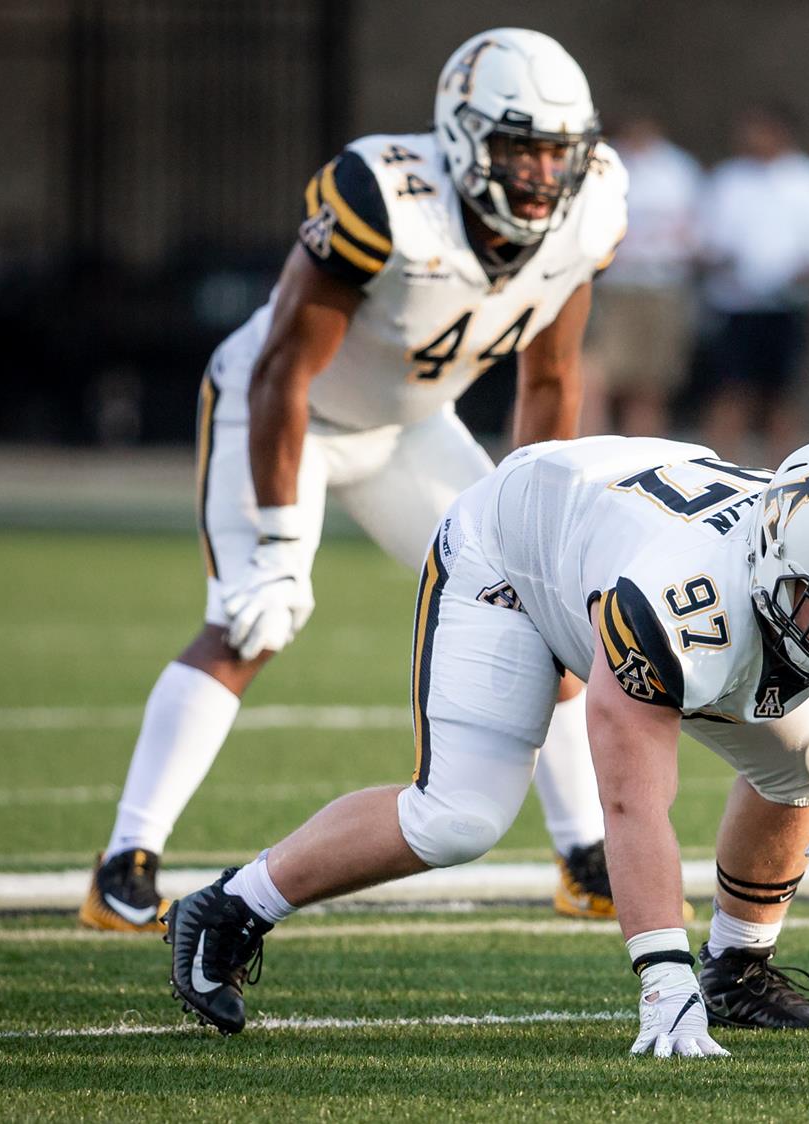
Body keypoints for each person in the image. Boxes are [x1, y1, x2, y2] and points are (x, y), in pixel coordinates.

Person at [78, 29, 630, 936]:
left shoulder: (592, 206)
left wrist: (542, 524)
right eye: (516, 147)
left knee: (543, 607)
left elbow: (551, 378)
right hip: (282, 416)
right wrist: (278, 546)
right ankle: (124, 865)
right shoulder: (386, 197)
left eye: (553, 151)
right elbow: (282, 373)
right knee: (252, 619)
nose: (537, 173)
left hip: (411, 426)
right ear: (460, 137)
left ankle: (584, 856)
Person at [161, 436, 809, 1055]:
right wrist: (659, 972)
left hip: (624, 528)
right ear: (773, 566)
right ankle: (233, 906)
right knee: (458, 817)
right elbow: (631, 799)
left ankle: (738, 967)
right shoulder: (683, 603)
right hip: (516, 558)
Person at [694, 104, 809, 464]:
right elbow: (704, 241)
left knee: (784, 399)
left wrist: (806, 270)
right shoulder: (728, 181)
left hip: (789, 307)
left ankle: (782, 475)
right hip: (736, 305)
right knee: (730, 393)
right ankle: (721, 473)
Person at [581, 112, 701, 438]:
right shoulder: (604, 164)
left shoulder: (678, 170)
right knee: (598, 375)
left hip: (661, 286)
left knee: (651, 383)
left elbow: (695, 230)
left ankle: (645, 451)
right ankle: (594, 447)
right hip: (613, 287)